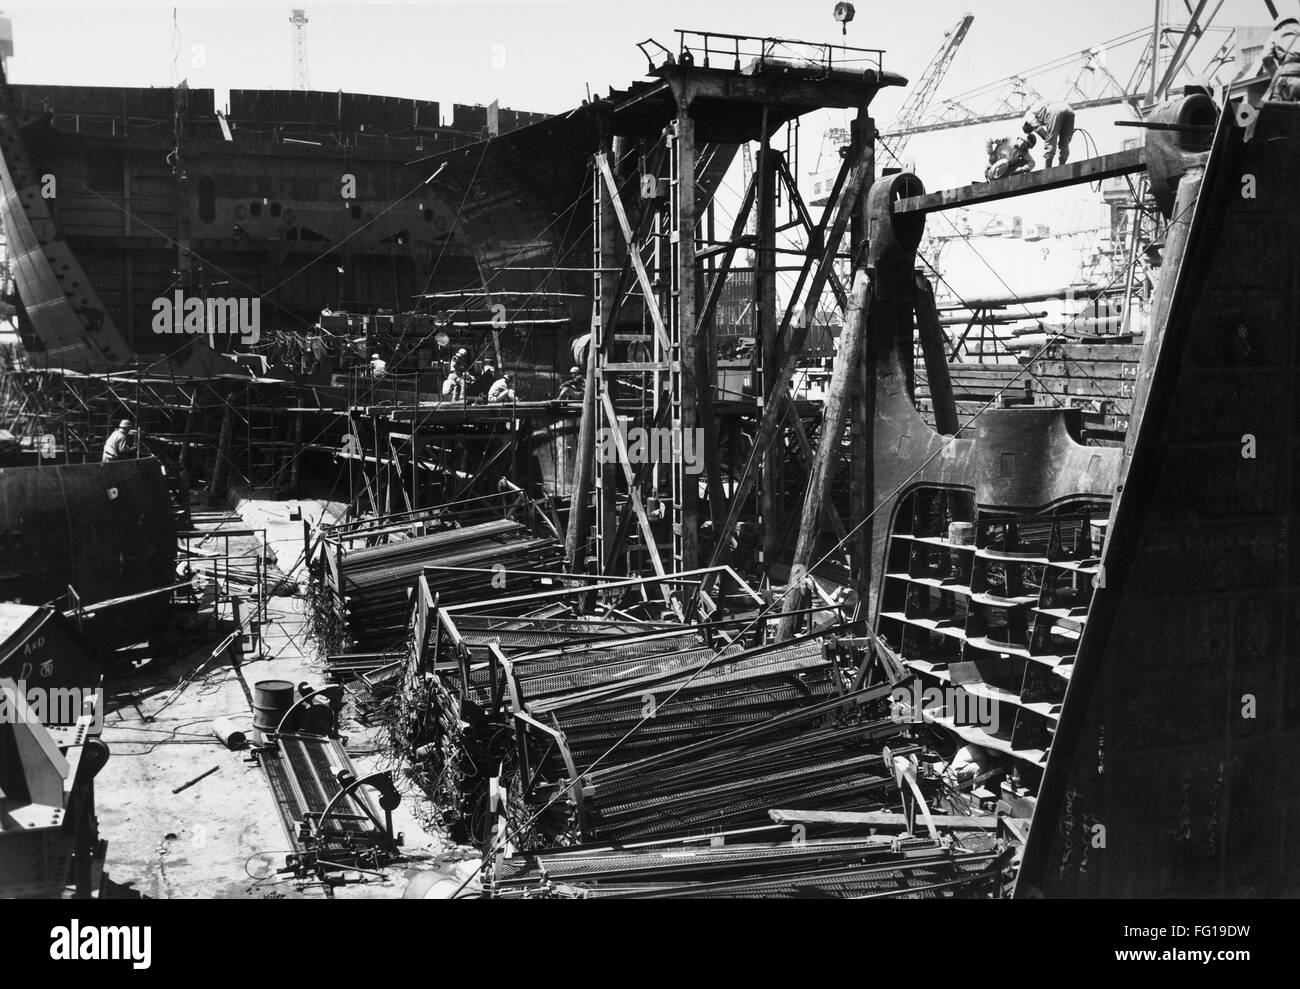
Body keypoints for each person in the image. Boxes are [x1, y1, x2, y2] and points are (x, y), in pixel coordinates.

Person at [1022, 100, 1075, 168]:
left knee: (1050, 142)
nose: (1033, 130)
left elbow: (1040, 131)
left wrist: (1049, 138)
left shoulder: (1028, 115)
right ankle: (1062, 166)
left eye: (1031, 129)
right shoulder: (1038, 108)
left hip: (1054, 110)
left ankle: (1048, 168)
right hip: (1069, 109)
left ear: (1026, 125)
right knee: (1065, 143)